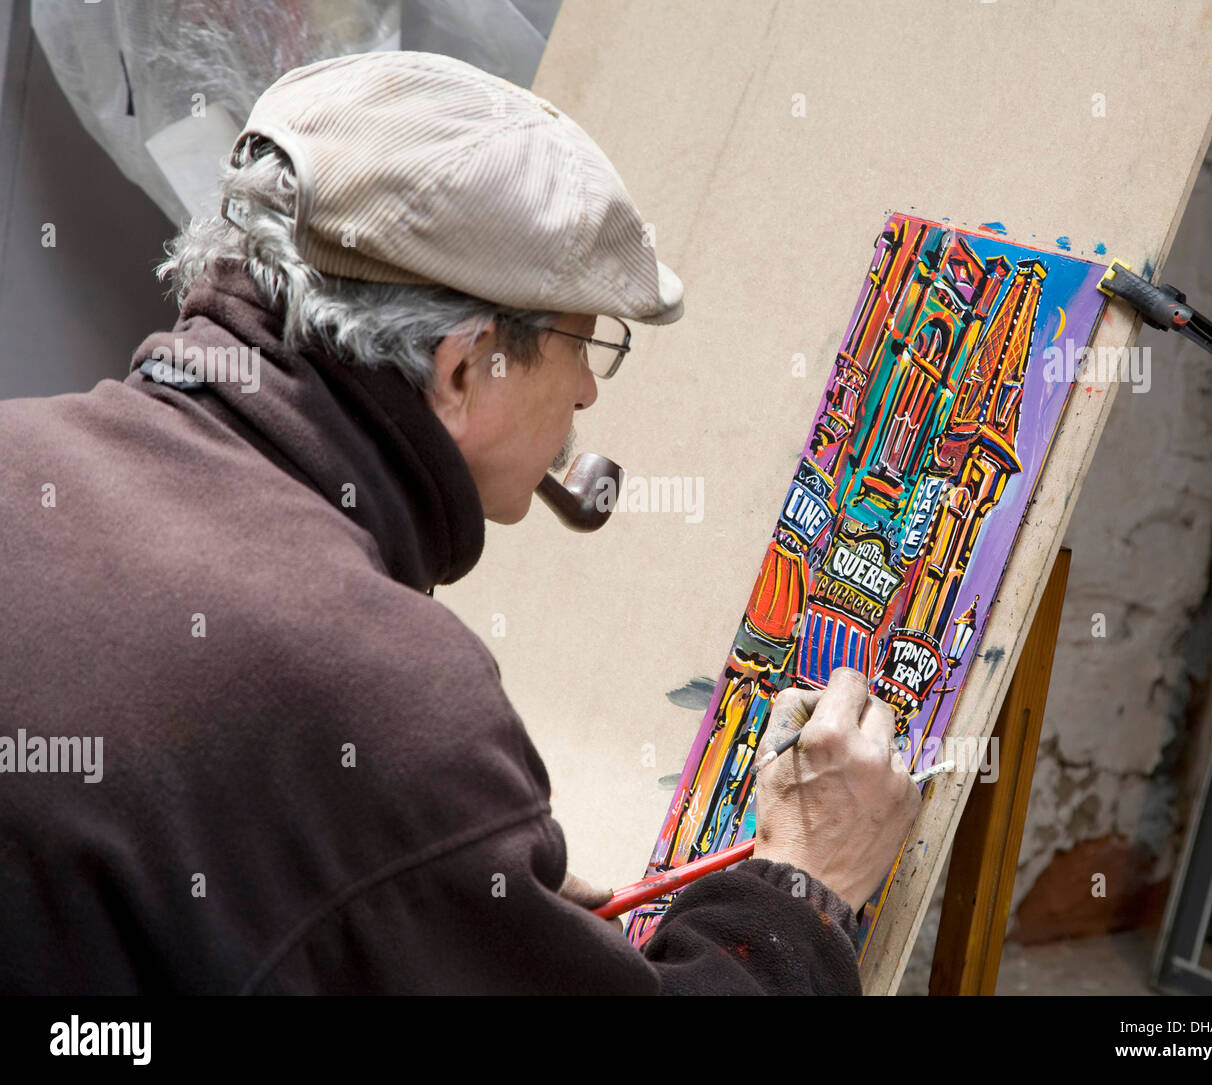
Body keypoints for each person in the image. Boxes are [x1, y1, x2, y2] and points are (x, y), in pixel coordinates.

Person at [0, 51, 920, 994]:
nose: (591, 388)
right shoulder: (378, 691)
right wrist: (803, 888)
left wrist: (445, 888)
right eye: (585, 339)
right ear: (468, 368)